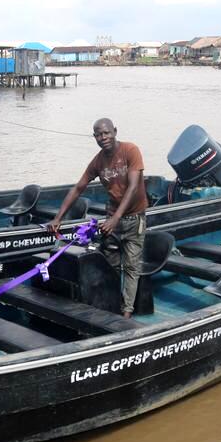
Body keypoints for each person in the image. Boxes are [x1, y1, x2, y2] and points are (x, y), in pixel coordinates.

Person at [47, 118, 148, 318]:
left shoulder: (130, 150)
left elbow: (133, 187)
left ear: (115, 131)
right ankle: (111, 305)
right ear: (94, 137)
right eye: (99, 135)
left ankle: (126, 312)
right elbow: (78, 188)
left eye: (106, 133)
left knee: (131, 267)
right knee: (110, 264)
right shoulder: (98, 161)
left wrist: (116, 218)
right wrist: (58, 218)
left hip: (134, 219)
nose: (103, 138)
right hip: (112, 220)